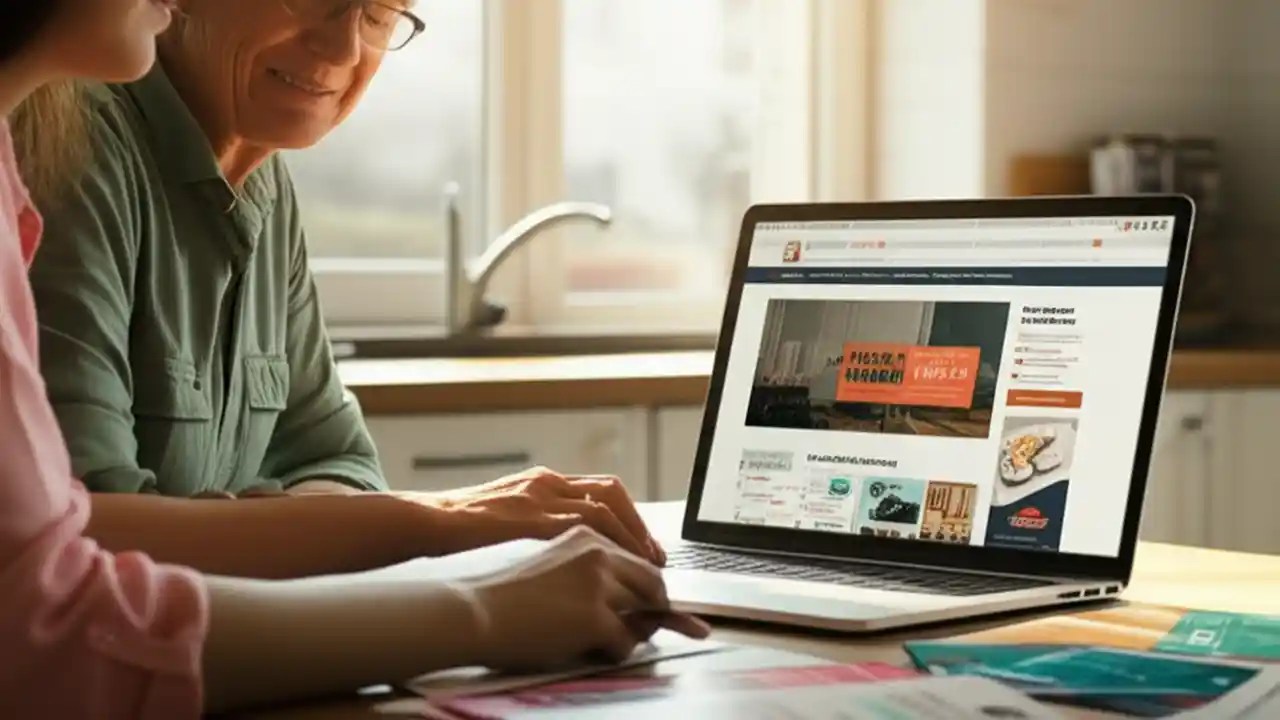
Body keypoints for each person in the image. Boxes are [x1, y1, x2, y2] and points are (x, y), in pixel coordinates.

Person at [1, 5, 708, 715]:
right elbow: (75, 554)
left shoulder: (265, 186)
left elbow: (339, 463)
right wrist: (442, 530)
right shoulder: (67, 139)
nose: (341, 44)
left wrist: (271, 527)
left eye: (376, 14)